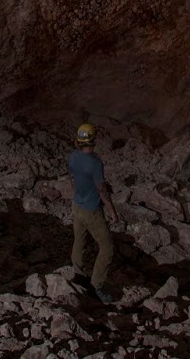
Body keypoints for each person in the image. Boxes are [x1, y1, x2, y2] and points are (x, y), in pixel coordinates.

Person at [67, 121, 121, 302]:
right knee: (107, 248)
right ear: (94, 140)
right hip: (91, 210)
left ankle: (79, 275)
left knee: (79, 241)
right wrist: (112, 211)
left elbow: (72, 179)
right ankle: (96, 286)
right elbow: (102, 190)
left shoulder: (73, 156)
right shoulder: (95, 163)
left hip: (76, 206)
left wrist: (80, 193)